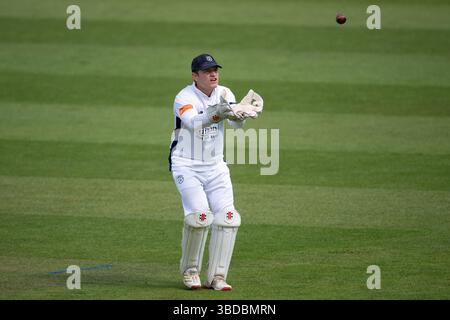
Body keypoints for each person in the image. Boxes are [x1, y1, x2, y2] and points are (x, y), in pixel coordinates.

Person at [168, 53, 263, 291]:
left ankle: (217, 277)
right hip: (186, 165)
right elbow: (194, 122)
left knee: (228, 219)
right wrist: (221, 111)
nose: (213, 74)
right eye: (207, 70)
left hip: (216, 166)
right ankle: (191, 272)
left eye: (215, 70)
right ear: (194, 75)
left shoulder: (225, 93)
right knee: (199, 217)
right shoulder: (184, 97)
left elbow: (235, 124)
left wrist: (242, 113)